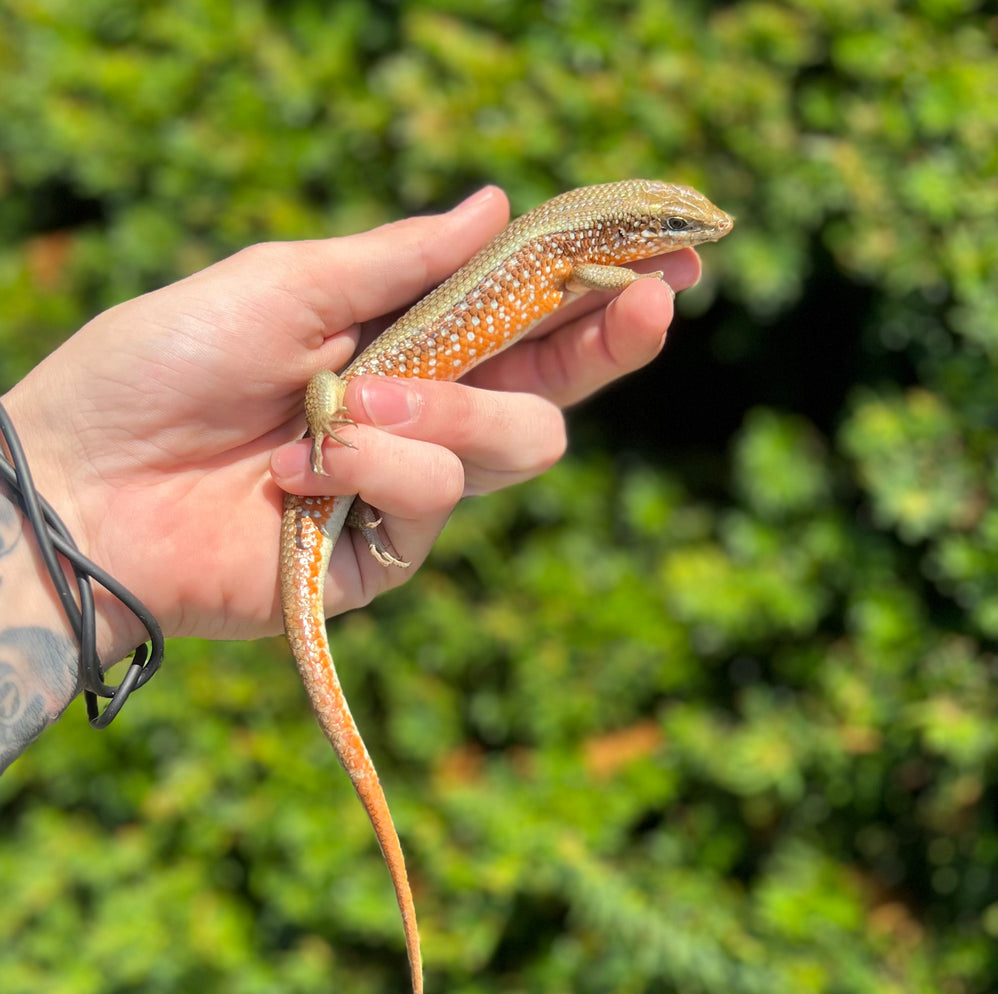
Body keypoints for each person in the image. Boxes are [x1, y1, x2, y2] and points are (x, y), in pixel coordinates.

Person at [0, 185, 703, 769]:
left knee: (379, 437)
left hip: (344, 430)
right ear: (624, 229)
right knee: (351, 414)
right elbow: (586, 277)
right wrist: (66, 479)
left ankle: (349, 478)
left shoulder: (564, 246)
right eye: (674, 226)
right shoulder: (575, 255)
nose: (695, 232)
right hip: (340, 417)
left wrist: (70, 498)